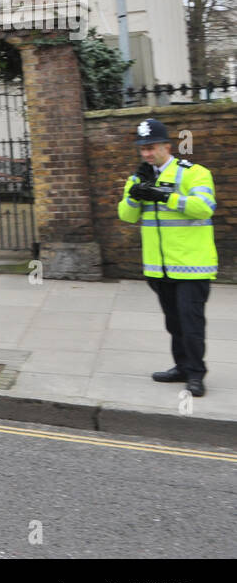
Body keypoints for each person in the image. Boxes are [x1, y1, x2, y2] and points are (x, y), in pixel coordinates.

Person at [117, 118, 217, 397]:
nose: (147, 154)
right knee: (173, 323)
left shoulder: (194, 173)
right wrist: (136, 195)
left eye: (152, 147)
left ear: (166, 145)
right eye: (142, 148)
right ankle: (182, 367)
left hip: (192, 266)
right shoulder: (138, 177)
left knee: (191, 323)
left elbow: (205, 207)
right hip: (158, 268)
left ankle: (196, 375)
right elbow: (126, 215)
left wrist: (165, 196)